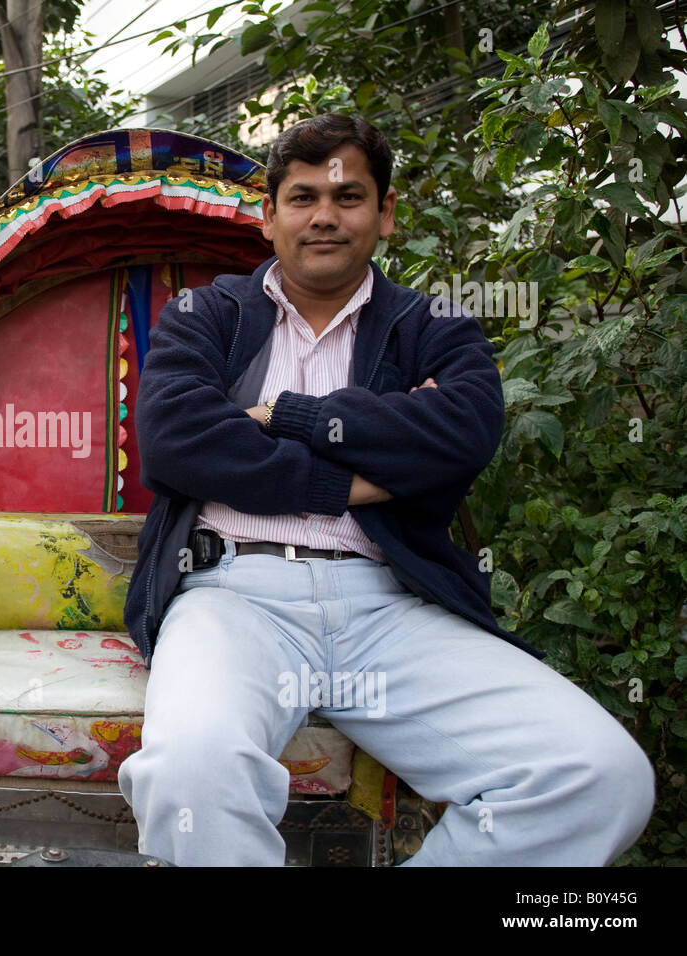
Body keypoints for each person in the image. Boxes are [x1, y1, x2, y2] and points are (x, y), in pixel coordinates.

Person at [118, 113, 655, 866]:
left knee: (602, 776)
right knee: (189, 773)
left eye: (349, 197)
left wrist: (284, 415)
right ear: (268, 216)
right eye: (302, 197)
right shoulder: (208, 315)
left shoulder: (430, 323)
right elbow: (179, 442)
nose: (325, 217)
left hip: (391, 604)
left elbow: (461, 432)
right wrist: (350, 477)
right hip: (234, 595)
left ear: (385, 214)